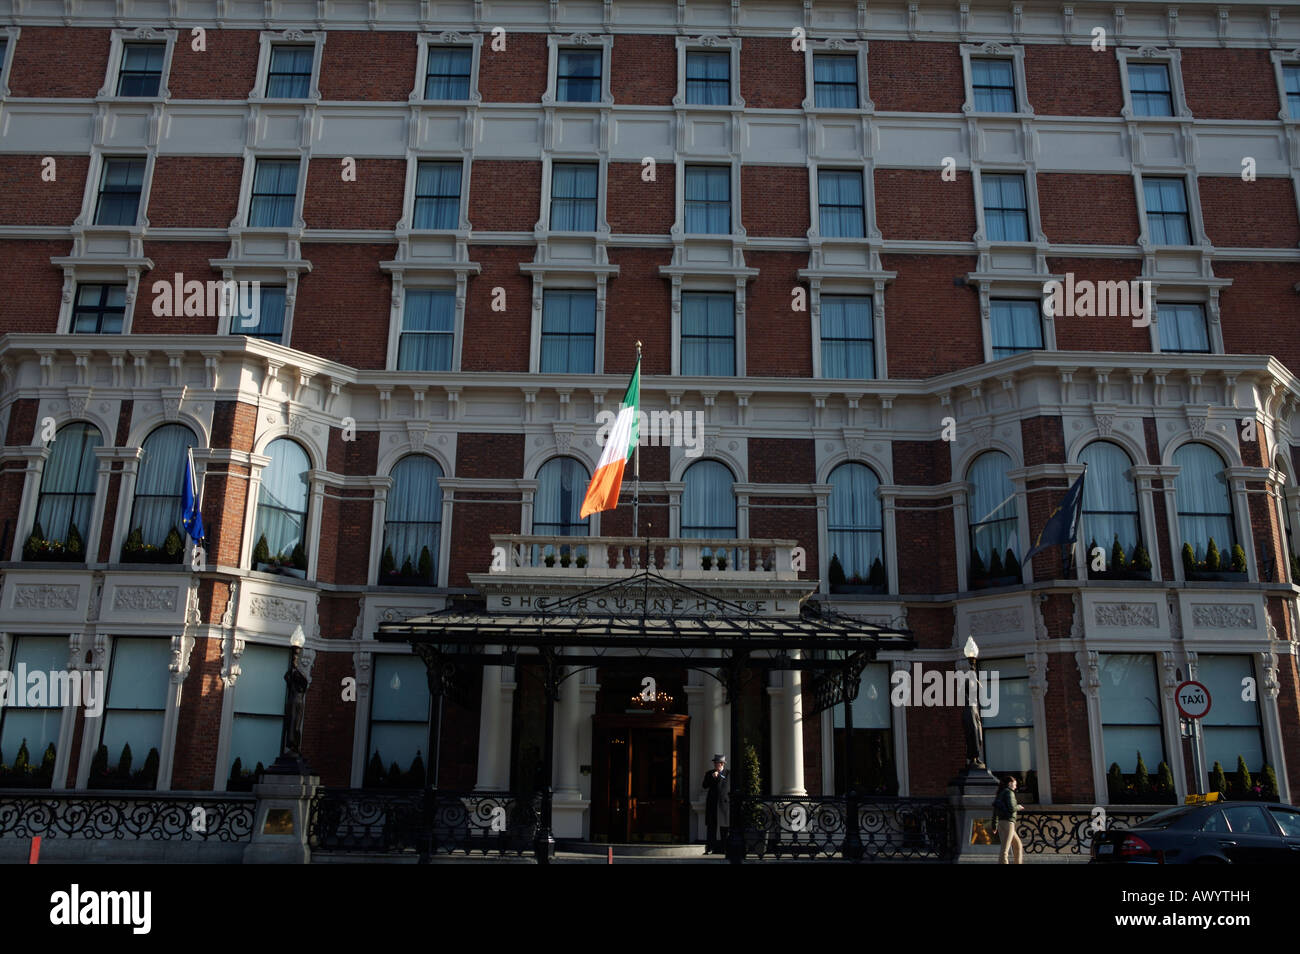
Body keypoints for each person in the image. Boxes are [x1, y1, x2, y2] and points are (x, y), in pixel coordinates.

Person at [702, 754, 730, 854]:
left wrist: (719, 775)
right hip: (712, 804)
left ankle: (725, 848)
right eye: (714, 763)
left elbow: (728, 785)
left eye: (716, 763)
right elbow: (704, 786)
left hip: (724, 804)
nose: (714, 764)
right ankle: (710, 848)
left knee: (724, 827)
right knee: (711, 827)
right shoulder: (709, 773)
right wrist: (712, 778)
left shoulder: (728, 773)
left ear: (722, 764)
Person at [993, 776, 1024, 864]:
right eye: (1015, 784)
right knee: (1005, 850)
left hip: (1001, 823)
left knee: (1018, 845)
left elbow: (995, 811)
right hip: (1008, 823)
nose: (1016, 786)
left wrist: (994, 825)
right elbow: (1012, 808)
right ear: (1010, 783)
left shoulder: (1000, 793)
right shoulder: (1009, 793)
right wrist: (1019, 807)